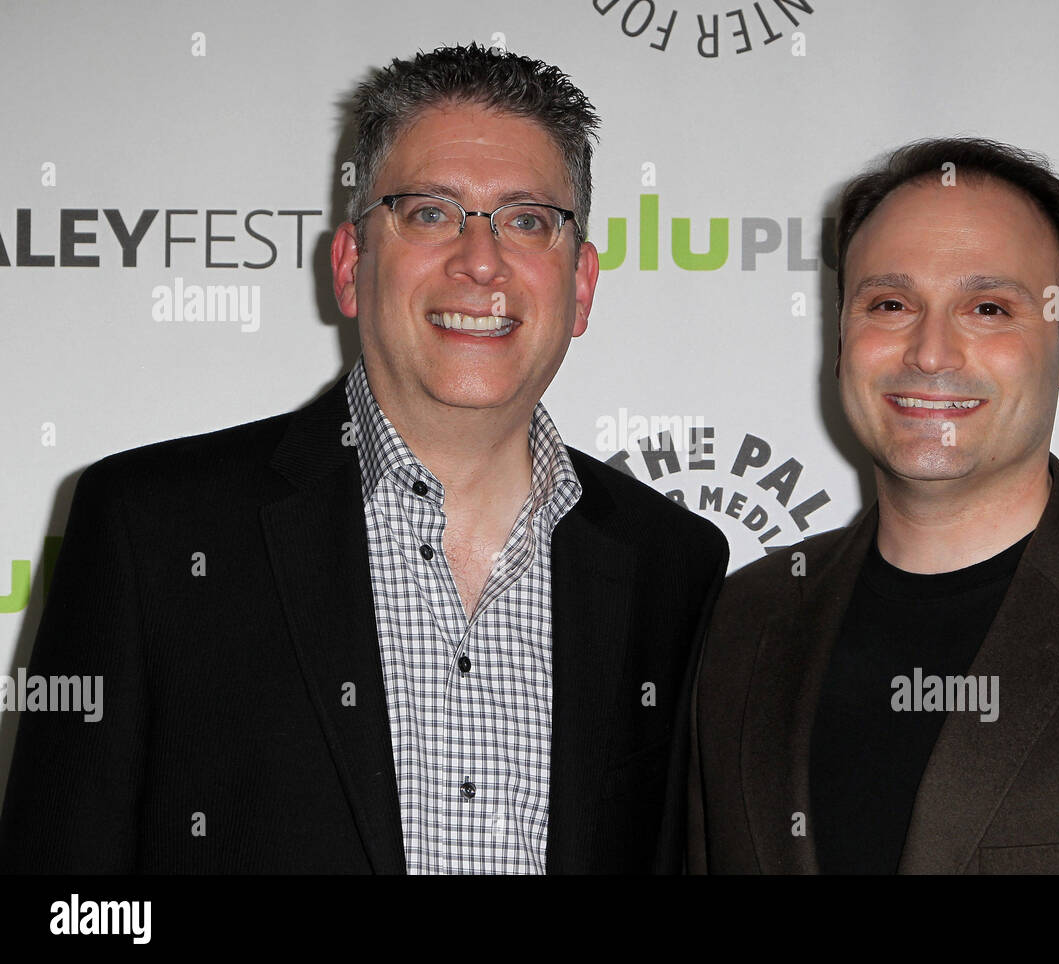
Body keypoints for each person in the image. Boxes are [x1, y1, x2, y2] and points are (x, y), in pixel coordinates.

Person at [0, 44, 727, 874]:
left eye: (527, 220)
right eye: (430, 213)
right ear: (351, 266)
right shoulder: (150, 529)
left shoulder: (677, 565)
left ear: (582, 286)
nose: (481, 261)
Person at [688, 137, 1059, 874]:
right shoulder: (740, 623)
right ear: (842, 333)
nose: (931, 352)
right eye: (890, 303)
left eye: (987, 307)